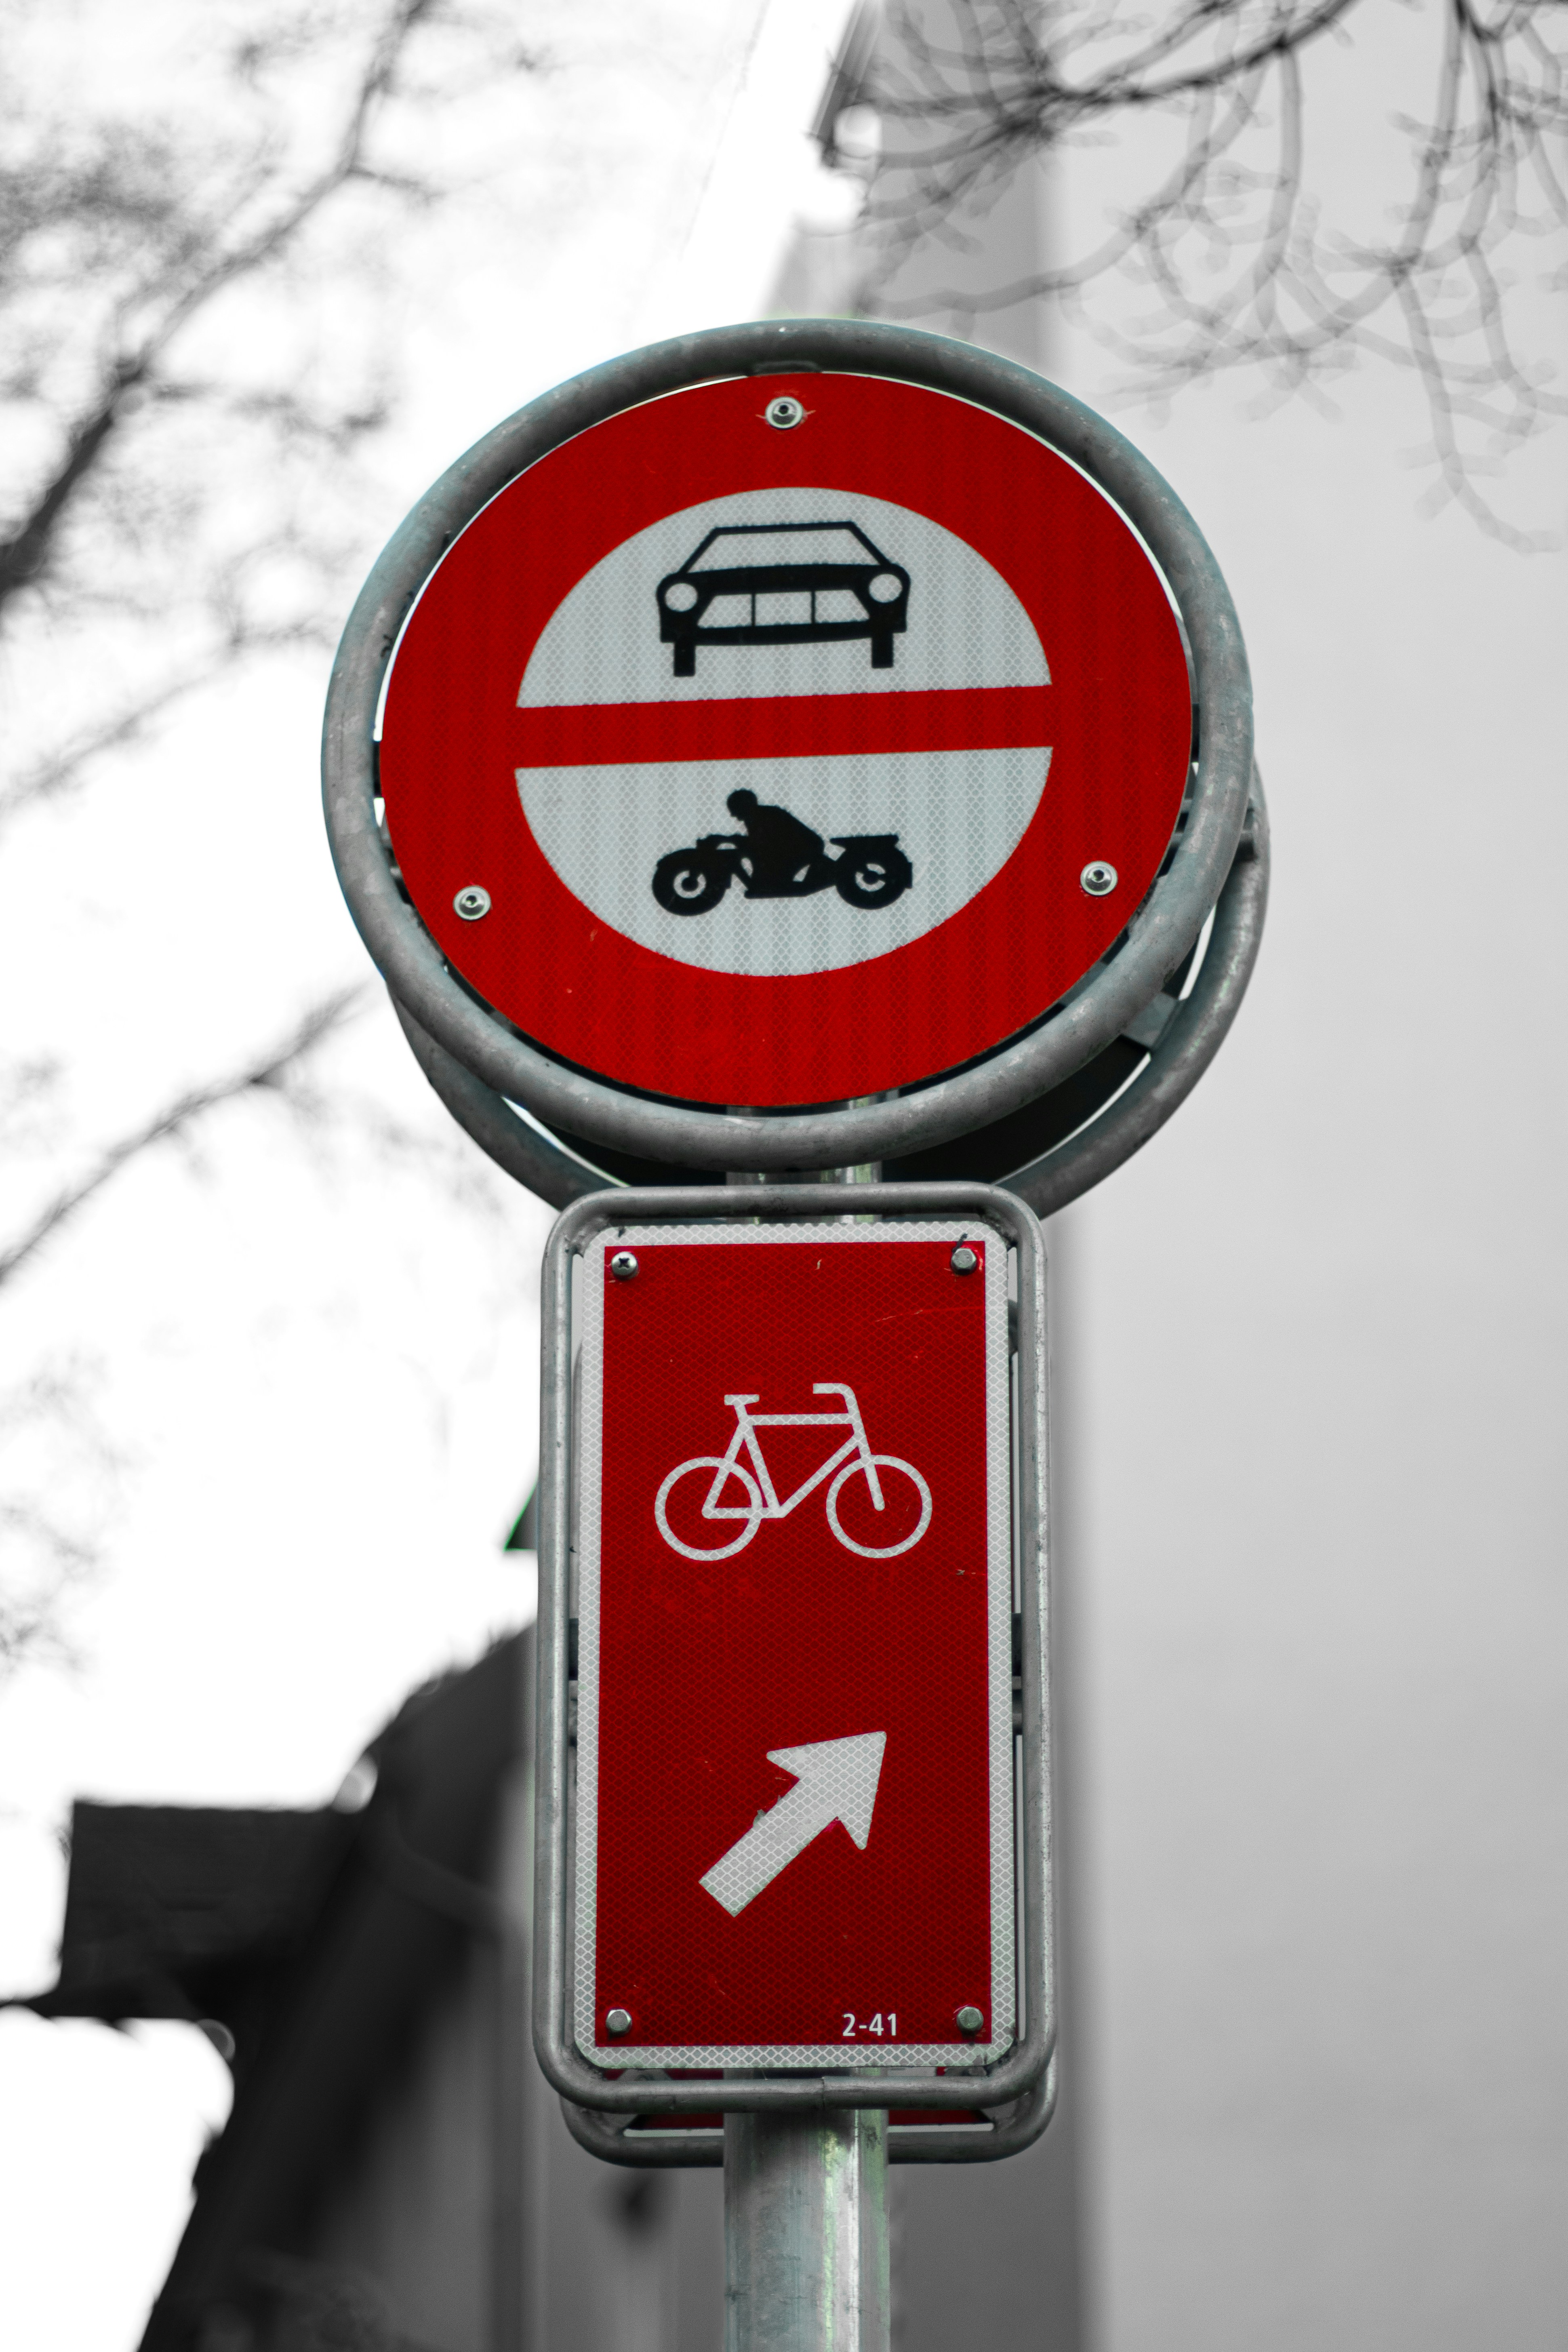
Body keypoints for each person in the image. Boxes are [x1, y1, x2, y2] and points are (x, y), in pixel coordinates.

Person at [725, 788, 825, 895]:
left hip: (805, 848)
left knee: (770, 877)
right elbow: (761, 842)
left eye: (736, 810)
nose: (735, 817)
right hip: (798, 848)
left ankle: (776, 884)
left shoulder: (763, 816)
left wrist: (738, 841)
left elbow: (764, 843)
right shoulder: (756, 816)